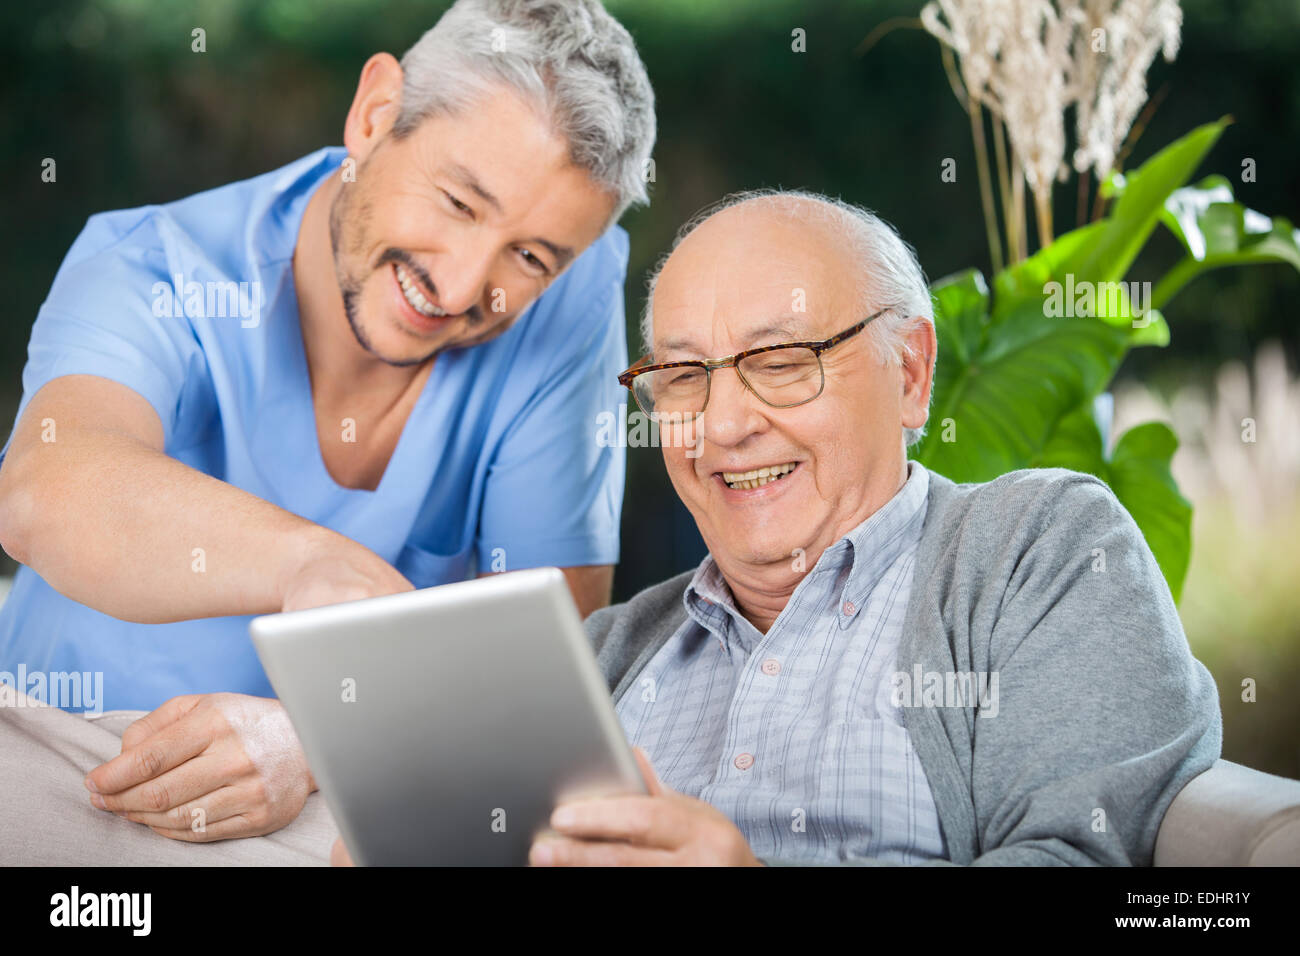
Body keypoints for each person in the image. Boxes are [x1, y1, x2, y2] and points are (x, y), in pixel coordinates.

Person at [0, 0, 654, 846]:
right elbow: (46, 491)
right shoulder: (152, 269)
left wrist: (321, 730)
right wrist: (320, 569)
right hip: (80, 761)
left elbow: (547, 623)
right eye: (458, 202)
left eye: (530, 257)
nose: (459, 290)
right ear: (376, 113)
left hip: (368, 776)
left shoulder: (571, 289)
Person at [516, 190, 1221, 866]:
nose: (723, 427)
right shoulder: (606, 654)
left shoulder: (1035, 555)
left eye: (781, 362)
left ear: (910, 373)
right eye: (680, 374)